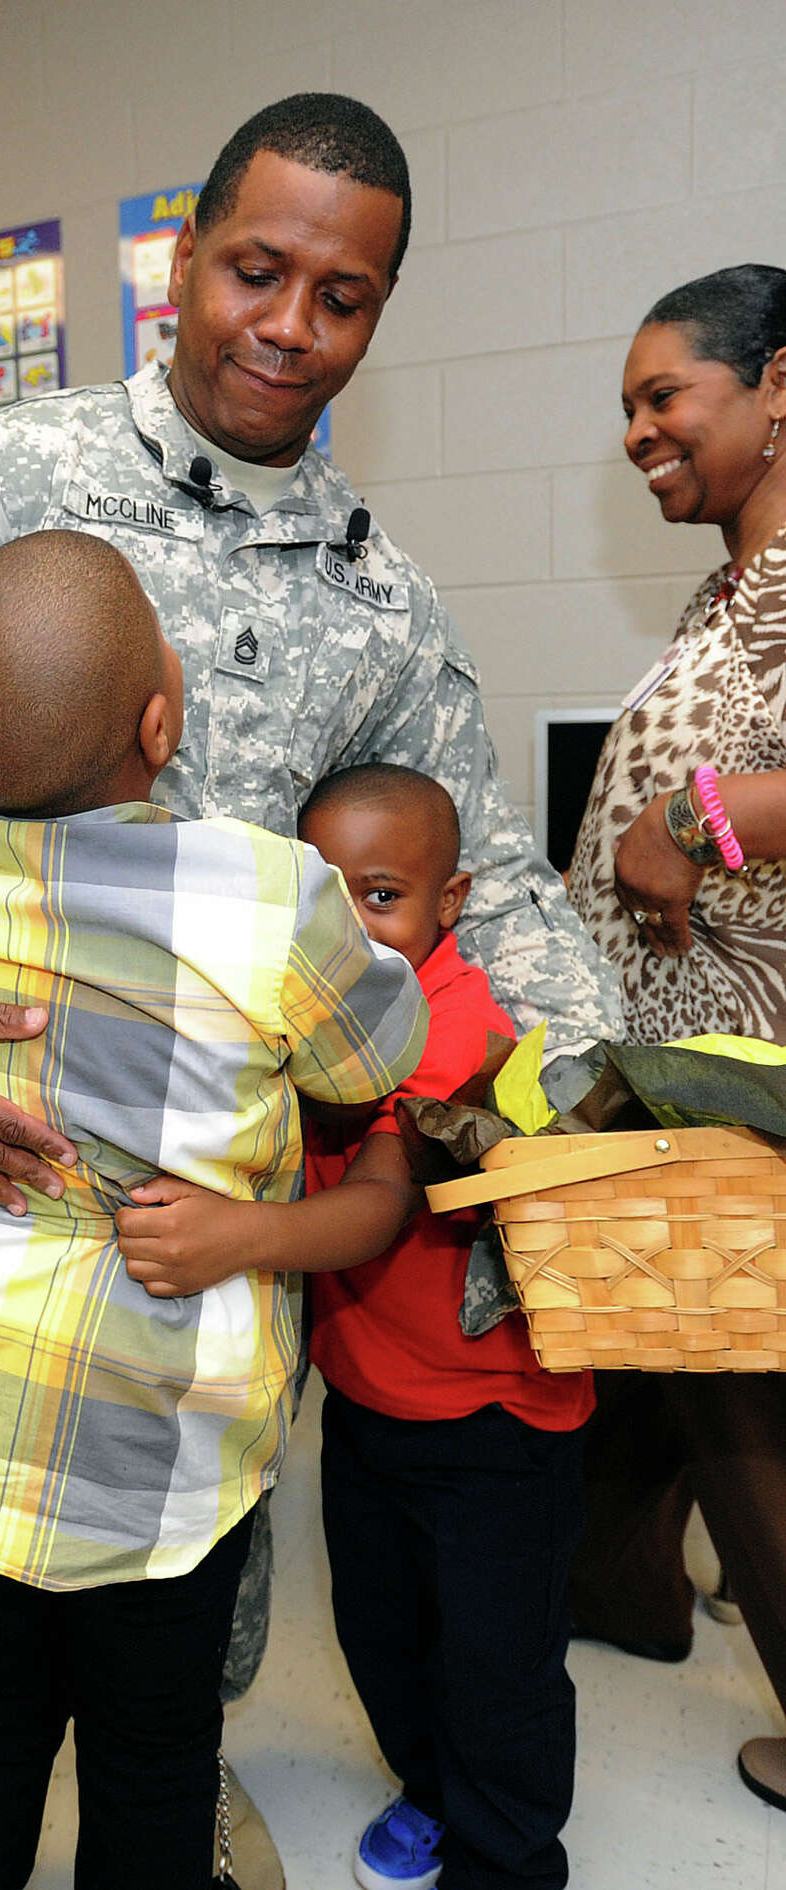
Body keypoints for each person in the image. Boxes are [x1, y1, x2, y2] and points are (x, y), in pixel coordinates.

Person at [0, 92, 619, 1880]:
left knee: (181, 1605)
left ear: (381, 312)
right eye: (257, 270)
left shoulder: (380, 593)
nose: (291, 328)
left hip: (216, 1235)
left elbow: (493, 869)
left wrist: (602, 1087)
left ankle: (167, 1786)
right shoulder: (4, 484)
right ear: (187, 256)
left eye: (344, 297)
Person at [0, 530, 427, 1890]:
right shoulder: (274, 899)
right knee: (155, 1752)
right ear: (164, 719)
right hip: (157, 1459)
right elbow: (372, 1058)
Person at [119, 763, 594, 1890]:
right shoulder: (308, 1015)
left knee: (500, 1671)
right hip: (374, 1413)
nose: (351, 928)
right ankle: (434, 1792)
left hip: (499, 1429)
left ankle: (509, 1859)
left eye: (379, 896)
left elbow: (368, 1211)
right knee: (382, 1639)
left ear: (452, 901)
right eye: (321, 899)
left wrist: (231, 1232)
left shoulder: (450, 1021)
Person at [565, 264, 786, 1816]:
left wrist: (693, 824)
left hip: (745, 1077)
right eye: (629, 410)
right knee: (652, 1373)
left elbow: (718, 806)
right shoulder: (736, 581)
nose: (642, 433)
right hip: (673, 1072)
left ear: (780, 385)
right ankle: (625, 1592)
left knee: (736, 1398)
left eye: (667, 397)